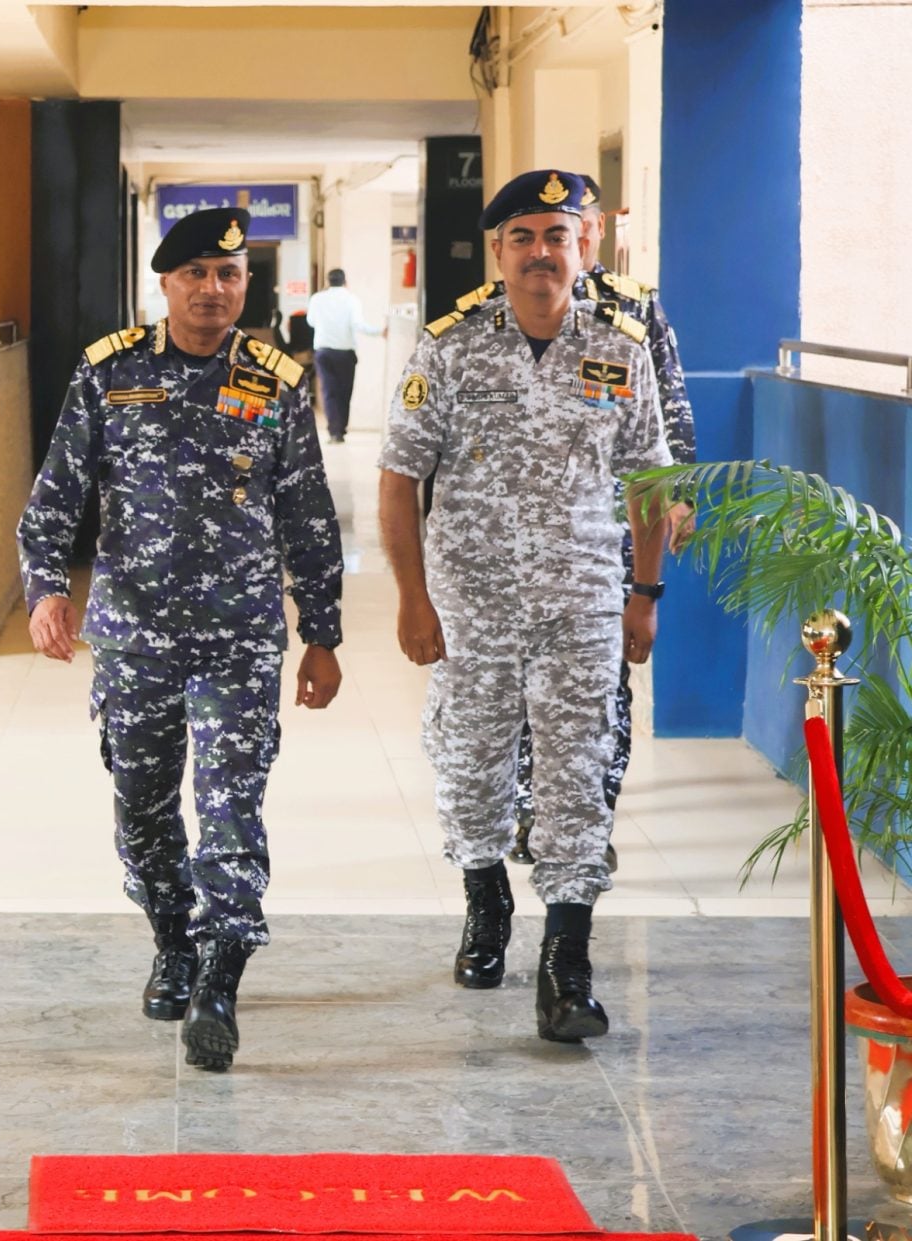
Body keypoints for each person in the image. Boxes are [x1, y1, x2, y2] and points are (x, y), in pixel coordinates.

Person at [17, 207, 344, 1073]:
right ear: (165, 283)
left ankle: (220, 981)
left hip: (239, 639)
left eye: (228, 275)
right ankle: (172, 937)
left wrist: (322, 631)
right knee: (144, 806)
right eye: (196, 273)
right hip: (135, 636)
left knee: (232, 809)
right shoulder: (108, 373)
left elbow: (308, 514)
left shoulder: (276, 384)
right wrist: (47, 587)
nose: (212, 290)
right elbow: (56, 496)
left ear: (246, 287)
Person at [377, 170, 671, 1043]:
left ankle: (566, 962)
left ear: (587, 247)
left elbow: (650, 483)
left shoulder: (622, 349)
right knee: (473, 766)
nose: (542, 252)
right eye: (524, 237)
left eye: (559, 234)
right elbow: (400, 480)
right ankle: (485, 896)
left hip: (582, 601)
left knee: (578, 773)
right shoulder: (451, 348)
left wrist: (644, 598)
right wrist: (413, 601)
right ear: (498, 251)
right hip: (472, 605)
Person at [509, 172, 697, 866]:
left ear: (591, 236)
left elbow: (670, 409)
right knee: (526, 678)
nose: (567, 240)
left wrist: (680, 494)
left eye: (577, 228)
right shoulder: (498, 314)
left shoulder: (635, 314)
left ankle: (591, 812)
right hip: (522, 536)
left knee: (600, 683)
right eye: (548, 229)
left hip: (611, 532)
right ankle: (533, 808)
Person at [305, 268, 385, 443]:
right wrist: (379, 332)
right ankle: (341, 429)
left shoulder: (317, 299)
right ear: (345, 281)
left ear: (328, 281)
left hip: (323, 352)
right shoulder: (351, 299)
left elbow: (310, 321)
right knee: (344, 392)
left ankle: (334, 432)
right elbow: (358, 324)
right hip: (345, 354)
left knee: (328, 391)